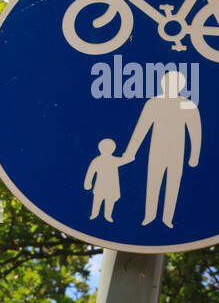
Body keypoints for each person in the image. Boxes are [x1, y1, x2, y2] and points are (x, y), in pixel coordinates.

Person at [120, 70, 201, 227]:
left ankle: (168, 219)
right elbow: (140, 130)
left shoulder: (187, 104)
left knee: (173, 184)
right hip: (156, 150)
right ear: (163, 84)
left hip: (177, 152)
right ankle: (149, 216)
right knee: (153, 182)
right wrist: (130, 152)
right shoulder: (153, 103)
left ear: (181, 86)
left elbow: (195, 133)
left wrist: (194, 156)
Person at [83, 138, 126, 221]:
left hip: (111, 187)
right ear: (100, 148)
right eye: (105, 148)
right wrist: (87, 183)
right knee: (97, 200)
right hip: (100, 185)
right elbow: (90, 172)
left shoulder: (114, 160)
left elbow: (123, 161)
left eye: (109, 148)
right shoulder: (97, 160)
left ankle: (108, 216)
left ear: (113, 149)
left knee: (110, 201)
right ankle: (94, 214)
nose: (107, 150)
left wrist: (128, 156)